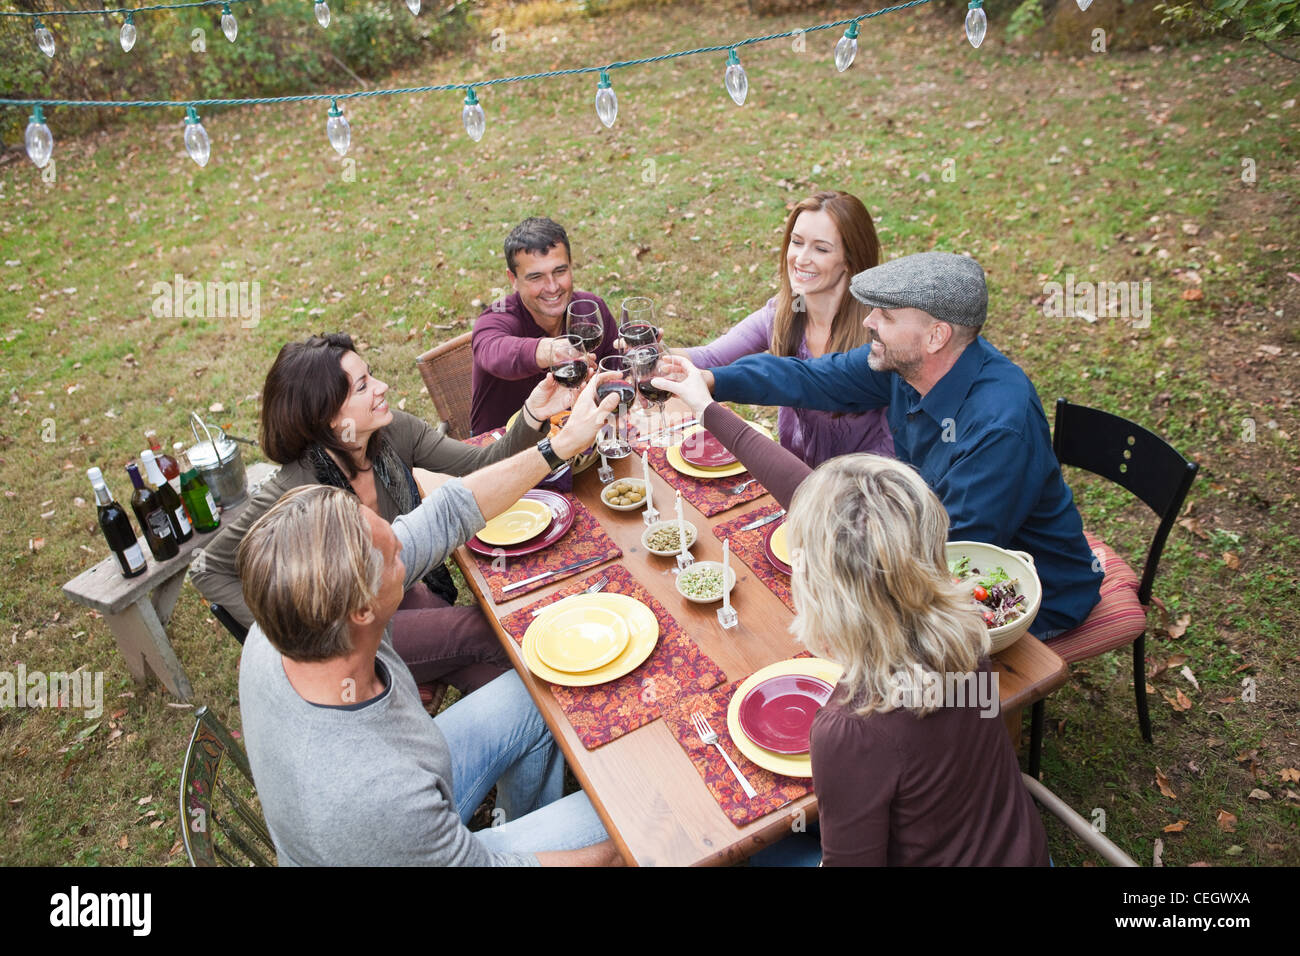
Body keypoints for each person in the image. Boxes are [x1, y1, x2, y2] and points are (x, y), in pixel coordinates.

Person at [236, 372, 624, 866]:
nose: (406, 544)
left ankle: (519, 817)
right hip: (401, 834)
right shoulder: (375, 798)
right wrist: (631, 844)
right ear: (361, 609)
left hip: (409, 807)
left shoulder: (283, 624)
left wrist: (559, 446)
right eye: (396, 553)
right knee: (634, 809)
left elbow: (445, 515)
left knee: (544, 681)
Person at [657, 251, 1101, 637]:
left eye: (885, 316)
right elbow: (812, 377)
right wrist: (712, 380)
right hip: (934, 549)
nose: (868, 321)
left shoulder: (999, 428)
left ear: (936, 336)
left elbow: (946, 555)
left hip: (1023, 595)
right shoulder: (906, 365)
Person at [192, 332, 580, 696]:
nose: (382, 388)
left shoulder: (393, 434)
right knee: (484, 630)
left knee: (492, 672)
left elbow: (482, 465)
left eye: (370, 376)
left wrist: (532, 414)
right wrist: (285, 639)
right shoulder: (294, 492)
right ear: (328, 415)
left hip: (399, 591)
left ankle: (545, 733)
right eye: (362, 387)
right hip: (349, 630)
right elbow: (208, 569)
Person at [679, 190, 893, 467]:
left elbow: (897, 444)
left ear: (851, 260)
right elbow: (709, 358)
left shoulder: (881, 333)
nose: (801, 258)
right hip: (794, 479)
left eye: (821, 248)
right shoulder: (783, 313)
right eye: (797, 242)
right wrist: (652, 354)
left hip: (865, 490)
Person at [471, 216, 619, 435]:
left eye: (560, 271)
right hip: (503, 451)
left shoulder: (591, 311)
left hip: (583, 442)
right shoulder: (497, 317)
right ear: (513, 279)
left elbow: (617, 377)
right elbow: (493, 352)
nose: (552, 287)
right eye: (536, 277)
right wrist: (553, 350)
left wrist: (641, 363)